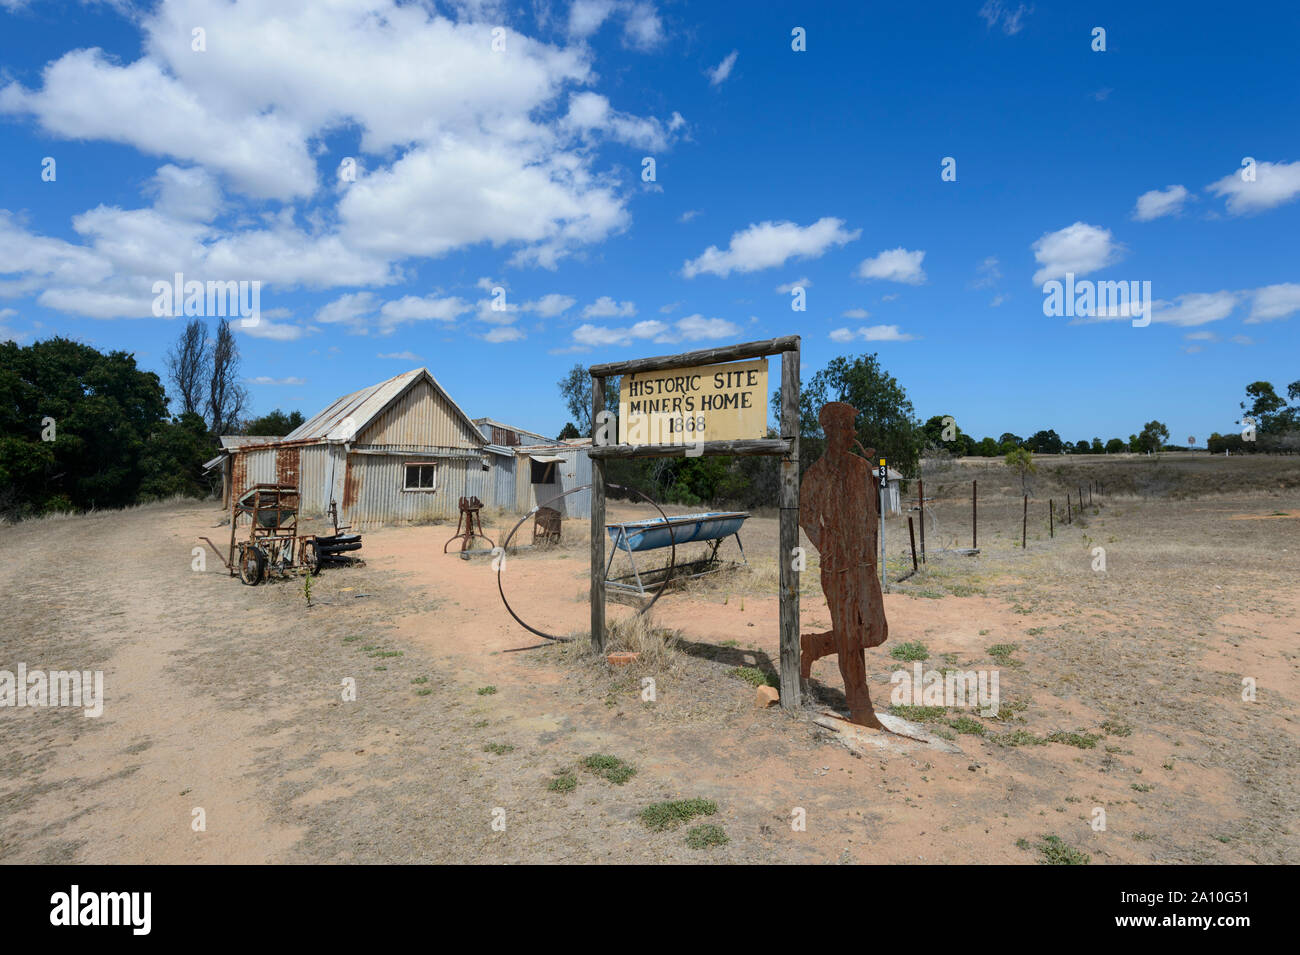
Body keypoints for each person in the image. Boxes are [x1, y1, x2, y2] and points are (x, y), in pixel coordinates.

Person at [798, 401, 888, 727]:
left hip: (866, 566)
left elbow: (881, 506)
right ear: (830, 429)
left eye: (853, 426)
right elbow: (806, 518)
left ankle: (815, 644)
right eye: (848, 426)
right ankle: (861, 708)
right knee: (850, 639)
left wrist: (880, 470)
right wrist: (829, 549)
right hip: (837, 569)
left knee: (875, 632)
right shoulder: (816, 474)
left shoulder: (863, 468)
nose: (853, 433)